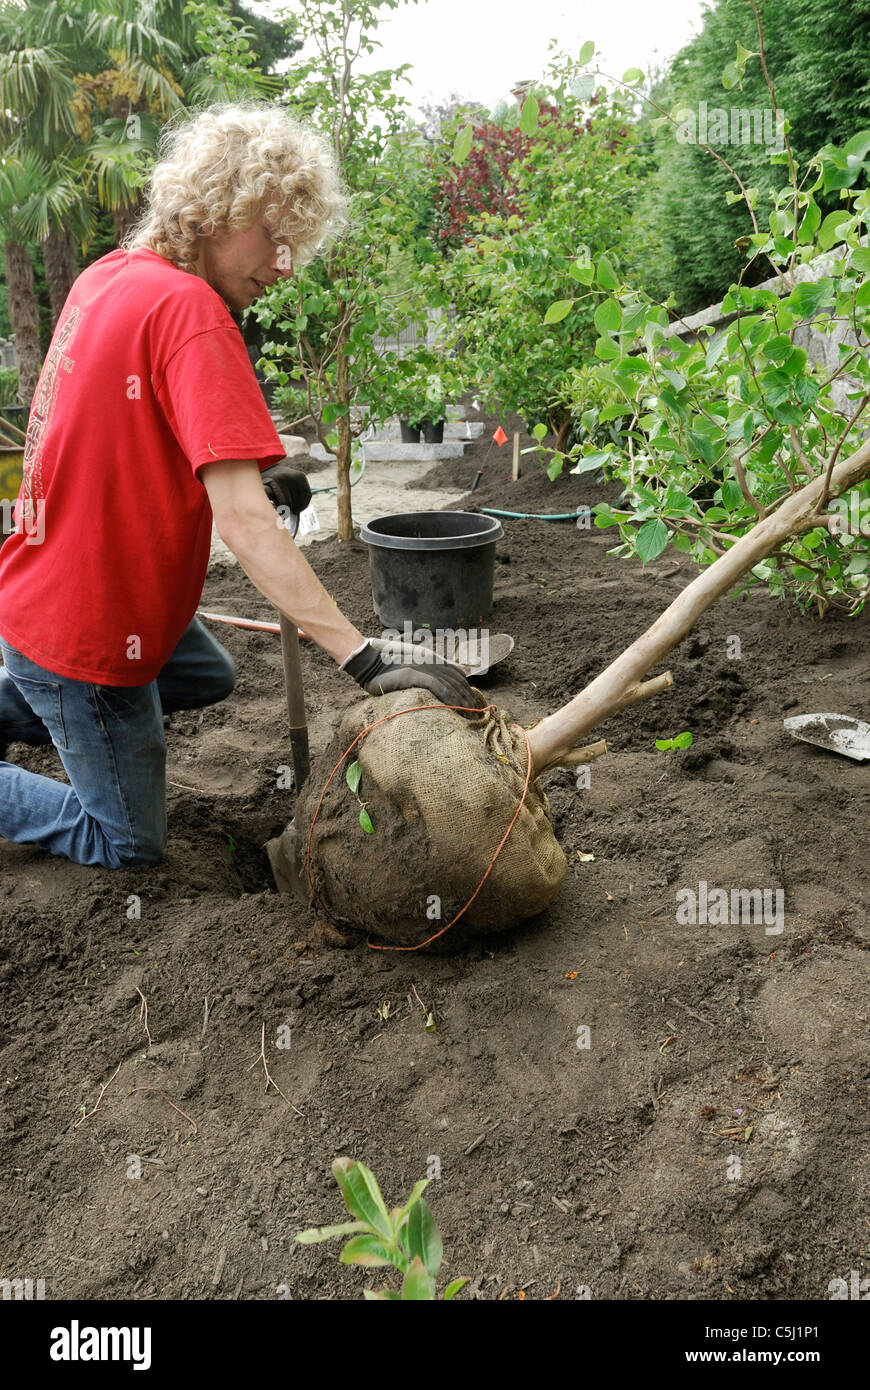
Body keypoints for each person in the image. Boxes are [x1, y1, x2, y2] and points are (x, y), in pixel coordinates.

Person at [0, 103, 476, 870]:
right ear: (219, 209)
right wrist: (361, 657)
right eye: (275, 237)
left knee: (208, 673)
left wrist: (254, 468)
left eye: (297, 246)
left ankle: (33, 702)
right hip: (84, 634)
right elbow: (246, 528)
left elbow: (122, 433)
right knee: (125, 842)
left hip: (46, 593)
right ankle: (58, 713)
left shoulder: (111, 276)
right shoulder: (192, 312)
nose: (286, 265)